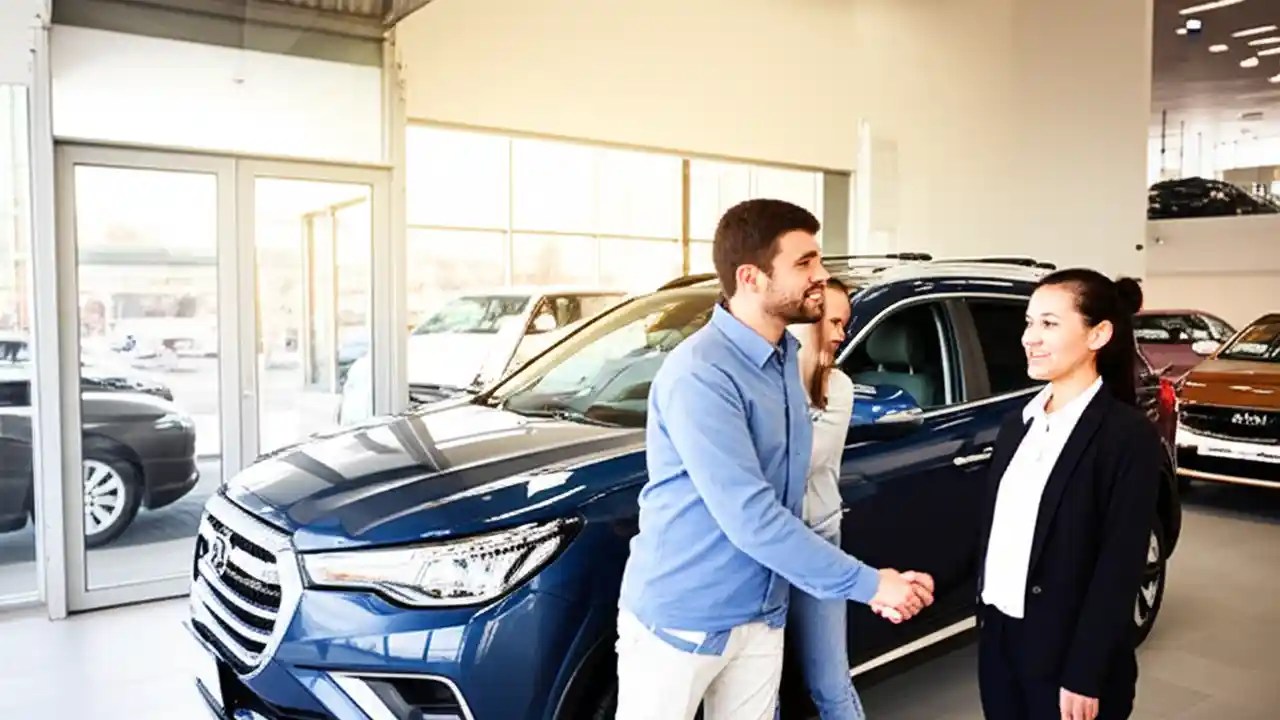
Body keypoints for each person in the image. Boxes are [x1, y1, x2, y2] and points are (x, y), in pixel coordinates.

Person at [616, 199, 934, 720]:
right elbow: (753, 517)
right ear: (751, 278)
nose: (821, 276)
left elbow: (790, 497)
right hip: (685, 621)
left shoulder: (785, 357)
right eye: (804, 263)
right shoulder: (702, 374)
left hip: (762, 613)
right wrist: (873, 584)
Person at [975, 269, 1161, 720]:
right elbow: (998, 531)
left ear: (1098, 334)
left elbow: (1120, 564)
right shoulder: (1018, 424)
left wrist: (1085, 671)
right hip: (1001, 643)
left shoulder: (1125, 435)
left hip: (1066, 655)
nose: (1029, 338)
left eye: (1049, 324)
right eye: (1028, 322)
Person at [784, 277, 868, 720]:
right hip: (763, 549)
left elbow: (799, 461)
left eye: (844, 324)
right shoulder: (764, 383)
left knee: (830, 683)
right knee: (760, 687)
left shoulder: (838, 386)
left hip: (816, 542)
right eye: (833, 322)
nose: (841, 334)